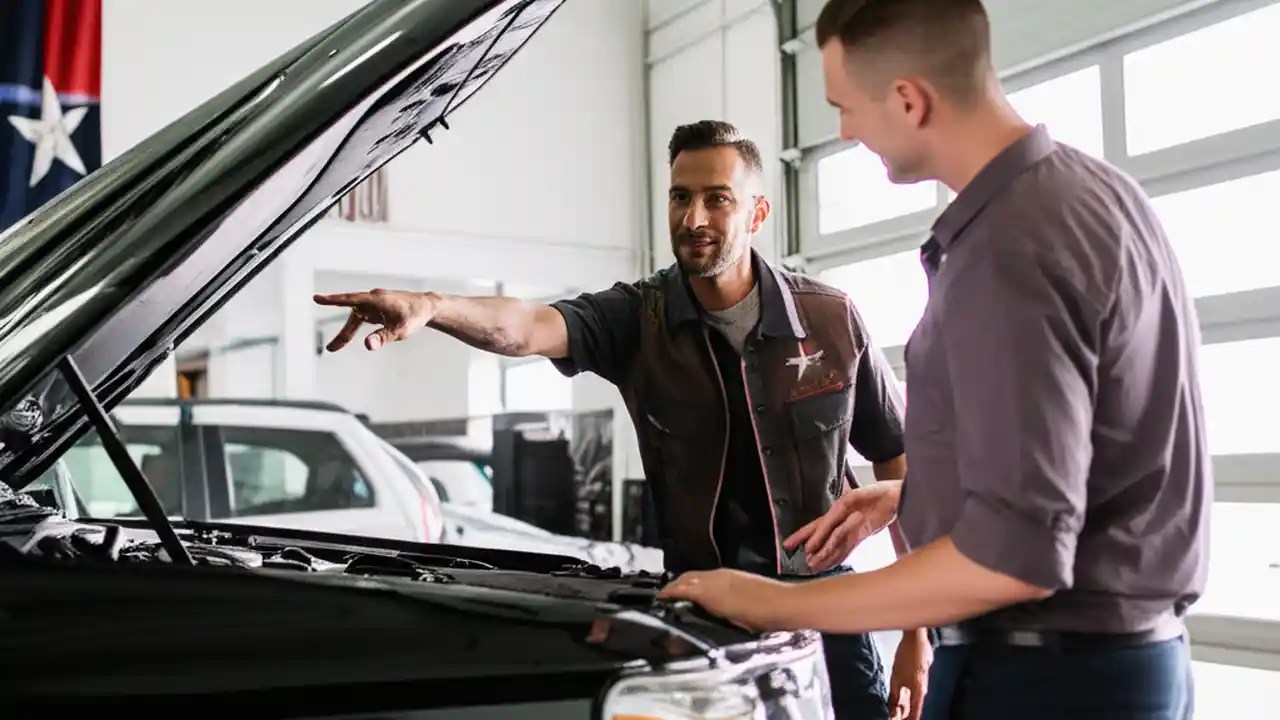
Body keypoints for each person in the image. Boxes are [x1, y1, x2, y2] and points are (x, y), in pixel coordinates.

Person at [658, 2, 1211, 719]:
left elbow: (1014, 556)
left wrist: (766, 600)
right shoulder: (1095, 193)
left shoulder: (1008, 248)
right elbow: (1094, 457)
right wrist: (914, 496)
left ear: (909, 99)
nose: (844, 132)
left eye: (846, 108)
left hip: (1045, 680)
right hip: (1130, 662)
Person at [314, 119, 930, 720]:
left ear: (757, 213)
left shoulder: (831, 317)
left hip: (826, 611)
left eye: (718, 200)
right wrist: (432, 305)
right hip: (703, 620)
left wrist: (917, 632)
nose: (694, 220)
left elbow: (897, 463)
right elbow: (526, 326)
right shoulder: (639, 318)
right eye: (680, 197)